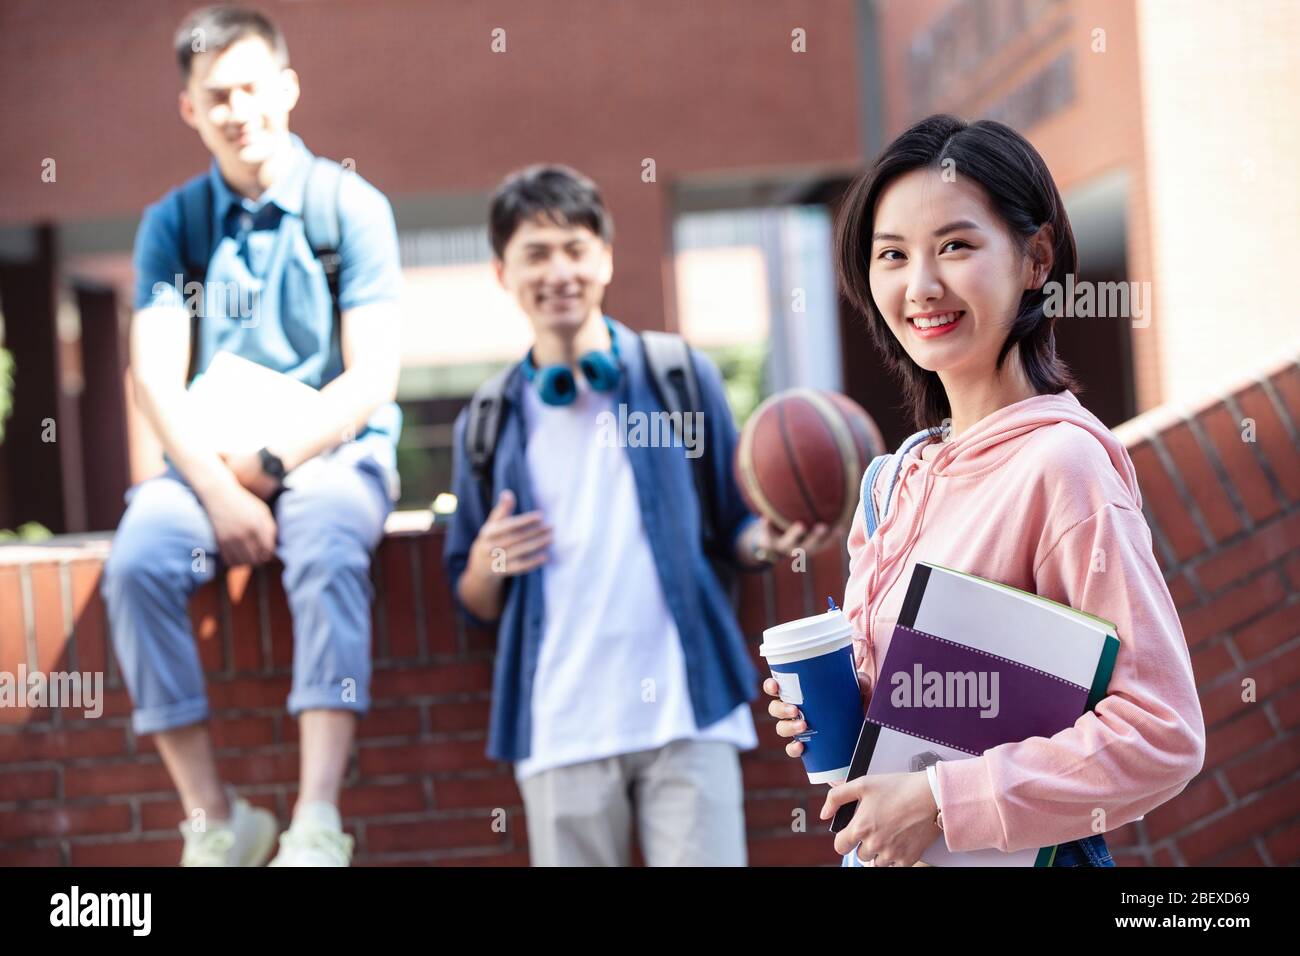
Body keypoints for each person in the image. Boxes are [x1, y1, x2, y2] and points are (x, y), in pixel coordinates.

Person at [764, 114, 1205, 867]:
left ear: (1036, 258)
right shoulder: (892, 483)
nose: (921, 285)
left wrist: (942, 800)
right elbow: (931, 719)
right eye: (893, 255)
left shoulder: (1063, 467)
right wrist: (841, 705)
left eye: (956, 247)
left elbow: (1162, 733)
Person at [444, 164, 837, 866]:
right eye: (536, 253)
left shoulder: (677, 375)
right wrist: (485, 563)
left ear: (605, 257)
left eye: (575, 248)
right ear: (503, 272)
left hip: (686, 714)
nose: (559, 271)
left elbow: (733, 527)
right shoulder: (488, 419)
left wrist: (772, 537)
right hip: (560, 726)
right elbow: (472, 599)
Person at [101, 5, 403, 867]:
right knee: (138, 561)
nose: (238, 109)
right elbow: (150, 377)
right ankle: (217, 820)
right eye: (216, 95)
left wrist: (267, 468)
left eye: (251, 87)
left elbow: (371, 378)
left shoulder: (351, 208)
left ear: (288, 88)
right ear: (190, 109)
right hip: (211, 461)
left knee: (328, 541)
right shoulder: (175, 224)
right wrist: (219, 486)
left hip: (329, 451)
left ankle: (315, 819)